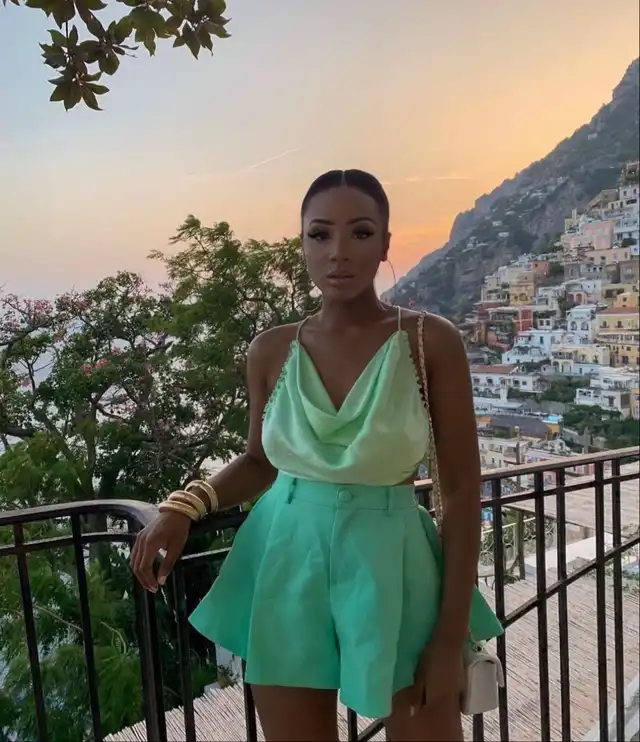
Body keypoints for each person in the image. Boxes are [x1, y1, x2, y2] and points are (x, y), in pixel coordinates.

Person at [131, 169, 502, 742]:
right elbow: (260, 461)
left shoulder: (430, 341)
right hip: (287, 559)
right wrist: (184, 505)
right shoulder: (272, 349)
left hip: (395, 566)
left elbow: (458, 490)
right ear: (302, 242)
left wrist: (450, 635)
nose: (338, 252)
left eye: (360, 233)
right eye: (320, 234)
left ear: (385, 243)